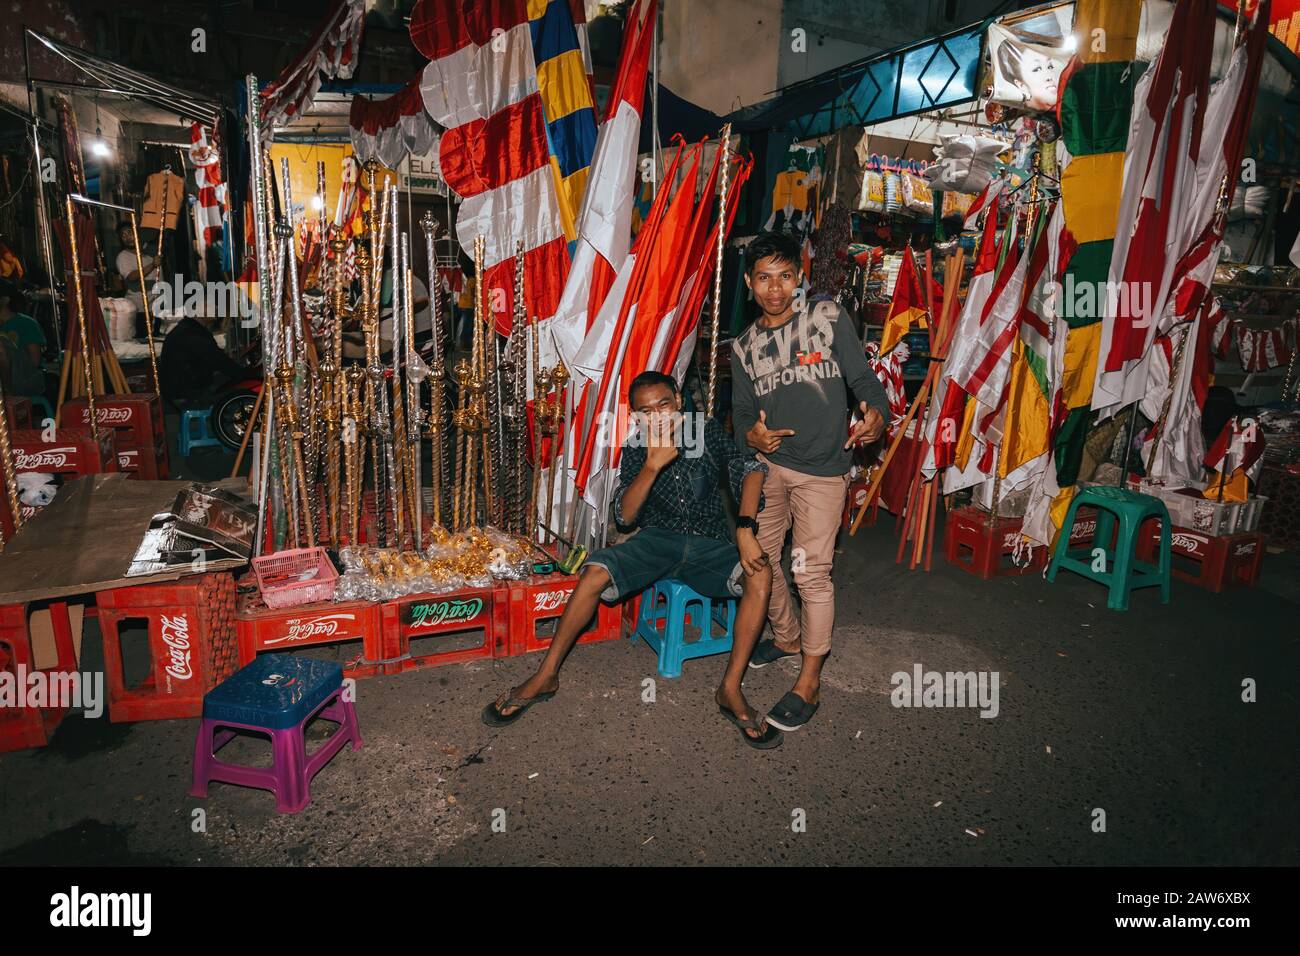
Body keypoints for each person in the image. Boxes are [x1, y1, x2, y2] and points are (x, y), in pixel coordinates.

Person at [482, 370, 782, 749]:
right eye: (646, 411)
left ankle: (730, 688)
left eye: (664, 404)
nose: (658, 416)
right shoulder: (637, 446)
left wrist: (745, 528)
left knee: (761, 573)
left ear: (679, 397)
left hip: (709, 544)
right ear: (635, 415)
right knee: (592, 573)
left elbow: (750, 469)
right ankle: (546, 676)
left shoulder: (704, 430)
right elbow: (625, 516)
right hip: (658, 542)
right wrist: (653, 466)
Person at [730, 230, 889, 732]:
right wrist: (751, 433)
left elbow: (862, 380)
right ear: (750, 284)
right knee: (759, 562)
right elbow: (736, 416)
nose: (774, 288)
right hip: (771, 469)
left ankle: (810, 681)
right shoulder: (742, 347)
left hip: (823, 471)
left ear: (798, 278)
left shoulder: (825, 318)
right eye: (763, 278)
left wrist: (877, 413)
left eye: (784, 276)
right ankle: (787, 634)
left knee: (811, 575)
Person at [158, 306, 250, 407]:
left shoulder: (191, 329)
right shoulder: (191, 334)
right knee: (241, 390)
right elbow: (219, 361)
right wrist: (246, 374)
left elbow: (216, 358)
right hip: (185, 394)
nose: (215, 308)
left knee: (229, 380)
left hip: (183, 388)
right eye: (207, 305)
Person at [0, 278, 46, 398]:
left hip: (25, 378)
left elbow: (34, 362)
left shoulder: (26, 323)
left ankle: (7, 394)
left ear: (5, 300)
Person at [114, 222, 159, 340]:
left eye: (129, 232)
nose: (127, 237)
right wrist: (153, 265)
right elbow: (131, 277)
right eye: (123, 236)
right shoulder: (123, 257)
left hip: (154, 308)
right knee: (142, 343)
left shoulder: (149, 258)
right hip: (138, 310)